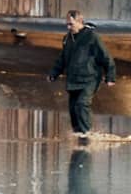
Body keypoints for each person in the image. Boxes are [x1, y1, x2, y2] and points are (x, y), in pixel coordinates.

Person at [48, 10, 116, 138]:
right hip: (73, 79)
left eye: (71, 24)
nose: (68, 27)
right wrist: (54, 73)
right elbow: (62, 58)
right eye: (67, 24)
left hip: (90, 78)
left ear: (79, 22)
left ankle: (86, 133)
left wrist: (110, 76)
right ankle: (79, 133)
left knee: (82, 104)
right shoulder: (67, 38)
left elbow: (106, 57)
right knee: (73, 109)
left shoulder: (92, 37)